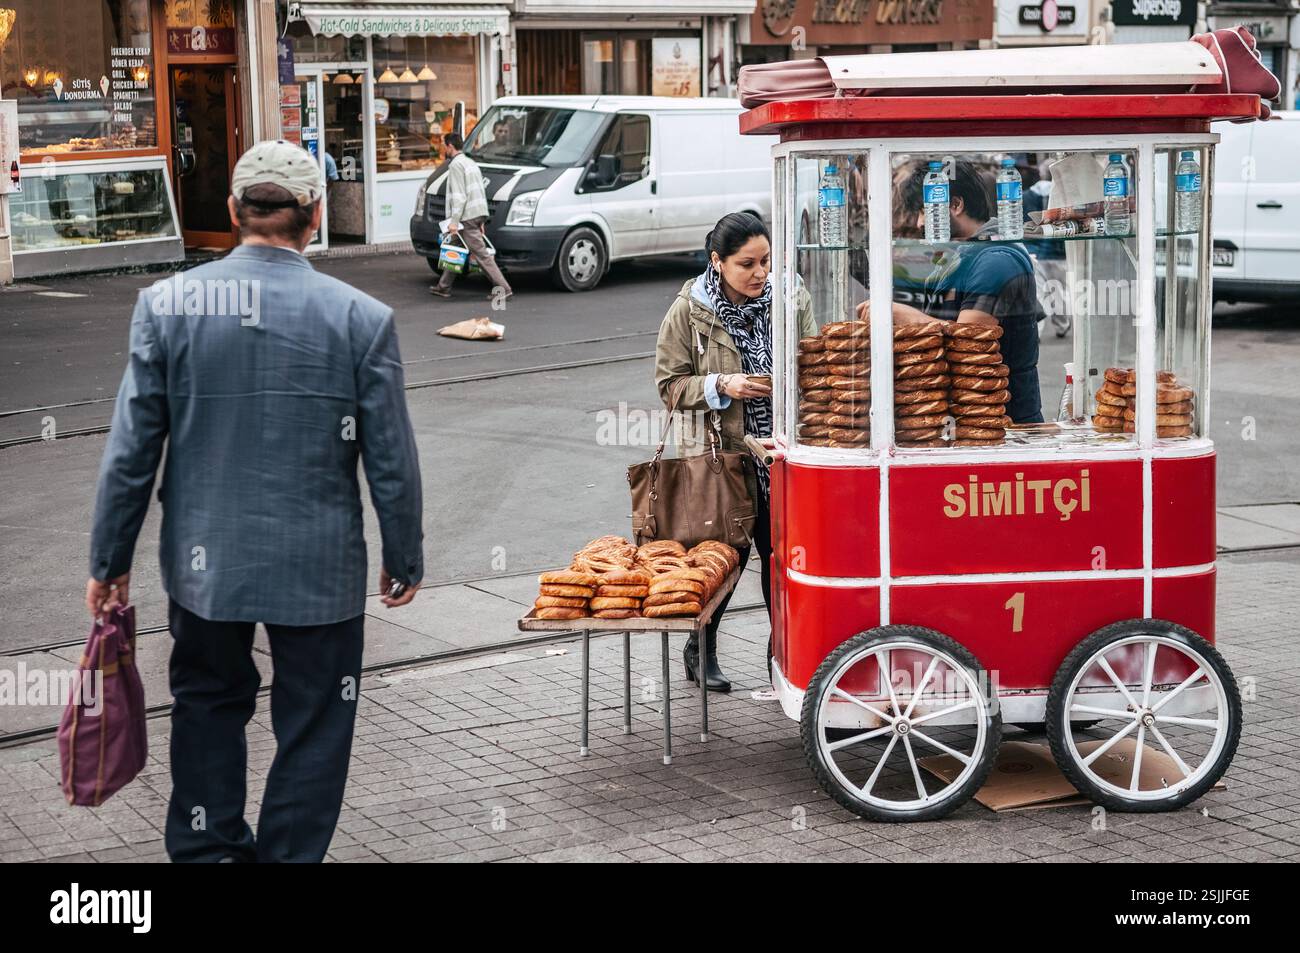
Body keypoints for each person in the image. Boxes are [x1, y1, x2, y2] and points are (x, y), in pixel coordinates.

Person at [85, 139, 425, 863]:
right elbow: (390, 455)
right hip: (321, 569)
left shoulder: (166, 305)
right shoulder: (361, 318)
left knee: (207, 705)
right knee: (314, 723)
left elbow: (132, 450)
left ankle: (209, 853)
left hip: (207, 566)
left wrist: (108, 560)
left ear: (234, 210)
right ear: (315, 215)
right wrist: (404, 553)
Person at [654, 212, 815, 691]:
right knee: (726, 556)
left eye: (765, 260)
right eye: (747, 263)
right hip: (722, 455)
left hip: (782, 451)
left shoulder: (790, 297)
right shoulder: (691, 309)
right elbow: (669, 383)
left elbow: (816, 357)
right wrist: (723, 383)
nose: (760, 272)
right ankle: (700, 647)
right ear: (717, 262)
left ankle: (781, 651)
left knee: (780, 555)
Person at [874, 159, 1044, 423]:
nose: (919, 223)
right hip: (965, 420)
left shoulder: (996, 261)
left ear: (955, 205)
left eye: (924, 210)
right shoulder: (957, 258)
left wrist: (905, 316)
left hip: (1003, 426)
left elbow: (970, 342)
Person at [430, 132, 512, 302]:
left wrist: (454, 221)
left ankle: (503, 288)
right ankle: (443, 286)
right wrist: (481, 219)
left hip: (465, 216)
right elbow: (479, 191)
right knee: (455, 249)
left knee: (482, 255)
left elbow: (460, 196)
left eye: (445, 145)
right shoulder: (471, 163)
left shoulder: (455, 165)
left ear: (450, 146)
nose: (444, 149)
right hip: (476, 213)